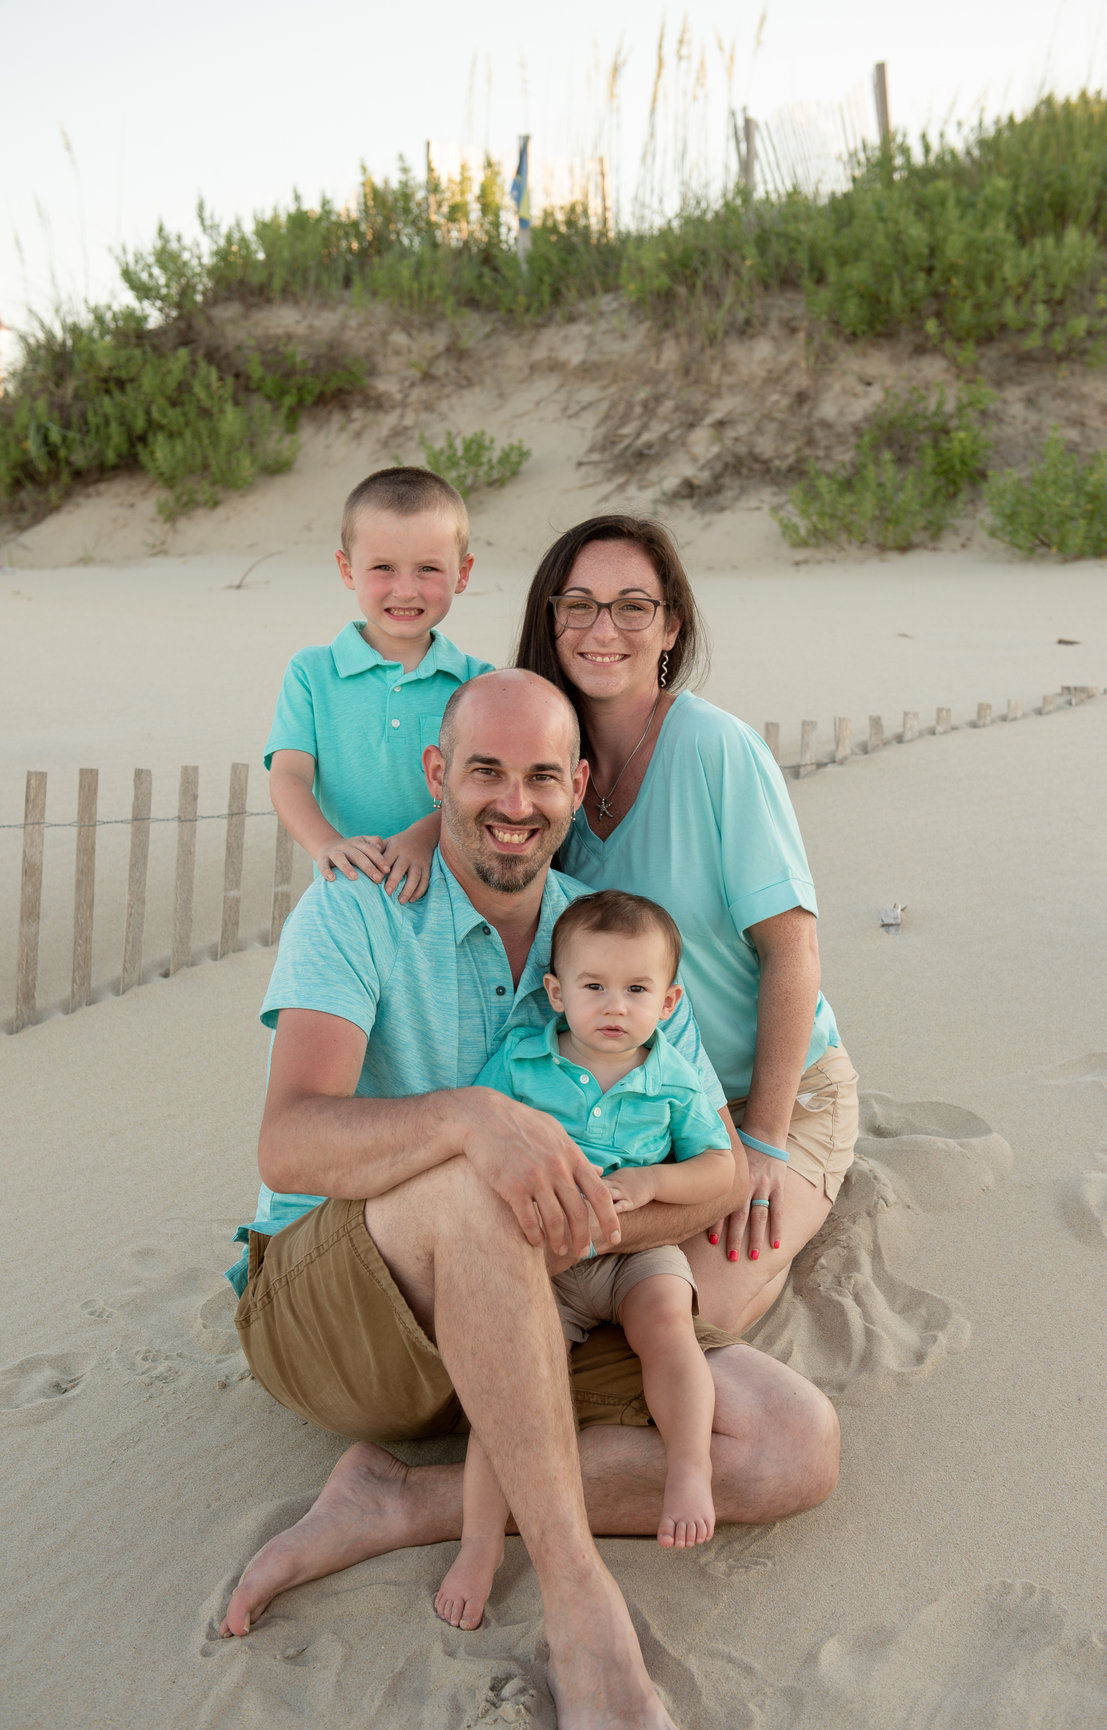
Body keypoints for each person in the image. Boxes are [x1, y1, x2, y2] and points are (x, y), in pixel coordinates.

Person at [221, 671, 840, 1730]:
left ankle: (405, 1498)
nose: (514, 801)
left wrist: (595, 1208)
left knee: (791, 1443)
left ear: (577, 784)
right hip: (343, 1308)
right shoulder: (357, 906)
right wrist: (467, 1117)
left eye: (542, 774)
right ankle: (579, 1610)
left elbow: (718, 1170)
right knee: (476, 1181)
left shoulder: (606, 939)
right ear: (436, 777)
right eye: (485, 771)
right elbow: (290, 1138)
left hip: (538, 1300)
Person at [514, 516, 860, 1336]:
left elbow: (793, 951)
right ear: (549, 619)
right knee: (541, 1294)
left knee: (691, 1314)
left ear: (670, 626)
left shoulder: (715, 749)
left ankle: (428, 1478)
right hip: (645, 1113)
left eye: (633, 607)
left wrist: (764, 1143)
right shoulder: (548, 768)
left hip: (777, 1097)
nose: (604, 630)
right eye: (580, 605)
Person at [435, 889, 736, 1632]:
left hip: (638, 1249)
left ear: (667, 1001)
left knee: (667, 1323)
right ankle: (479, 1544)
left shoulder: (672, 1078)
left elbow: (720, 1170)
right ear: (555, 992)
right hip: (551, 1262)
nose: (613, 1006)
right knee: (512, 1378)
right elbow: (474, 1147)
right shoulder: (521, 1060)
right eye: (593, 986)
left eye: (635, 990)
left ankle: (688, 1467)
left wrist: (656, 1181)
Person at [266, 465, 491, 898]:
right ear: (347, 569)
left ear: (462, 573)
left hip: (453, 894)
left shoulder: (479, 684)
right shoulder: (312, 673)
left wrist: (424, 837)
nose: (405, 590)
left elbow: (486, 791)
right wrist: (327, 843)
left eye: (428, 569)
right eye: (383, 567)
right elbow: (289, 778)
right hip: (349, 891)